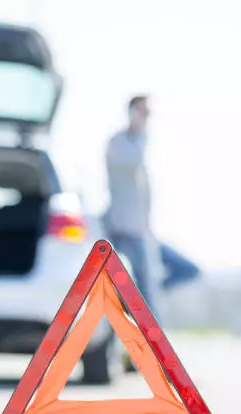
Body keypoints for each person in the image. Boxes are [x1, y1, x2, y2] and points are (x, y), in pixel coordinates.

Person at [103, 95, 162, 317]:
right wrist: (141, 132)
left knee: (155, 286)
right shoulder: (119, 143)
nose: (147, 119)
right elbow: (133, 162)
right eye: (143, 112)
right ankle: (152, 346)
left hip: (143, 232)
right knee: (144, 295)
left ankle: (148, 340)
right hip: (122, 231)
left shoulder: (137, 143)